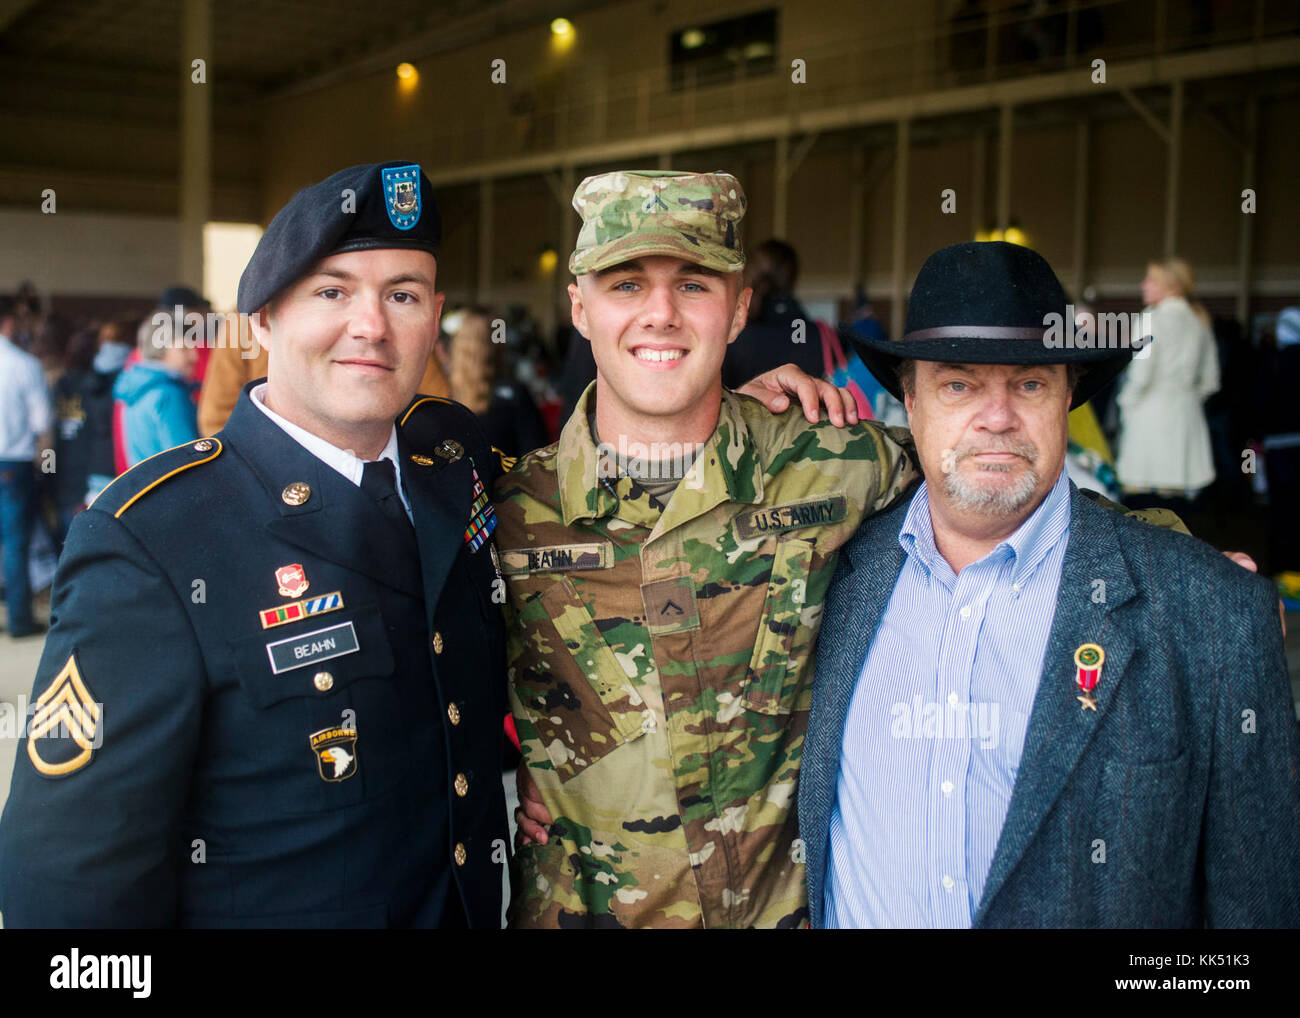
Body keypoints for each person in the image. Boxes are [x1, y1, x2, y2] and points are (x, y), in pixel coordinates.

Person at [0, 160, 509, 928]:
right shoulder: (155, 538)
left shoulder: (456, 464)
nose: (372, 325)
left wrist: (747, 411)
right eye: (332, 291)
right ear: (262, 321)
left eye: (402, 295)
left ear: (433, 317)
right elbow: (68, 892)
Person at [801, 241, 1300, 928]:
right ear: (908, 404)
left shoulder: (1217, 614)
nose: (998, 416)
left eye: (1030, 383)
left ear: (1067, 397)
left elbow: (1260, 911)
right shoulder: (821, 580)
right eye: (958, 384)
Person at [498, 169, 920, 929]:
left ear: (738, 311)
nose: (660, 314)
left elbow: (996, 498)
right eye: (626, 284)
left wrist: (1191, 564)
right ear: (579, 309)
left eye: (694, 284)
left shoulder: (830, 466)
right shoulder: (508, 513)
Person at [1114, 258, 1219, 515]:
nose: (1143, 285)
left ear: (1170, 286)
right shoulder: (1199, 322)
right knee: (1182, 515)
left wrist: (1125, 403)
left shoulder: (1151, 318)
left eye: (1150, 280)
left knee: (1145, 513)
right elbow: (1210, 381)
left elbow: (1141, 374)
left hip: (1149, 426)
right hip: (1188, 421)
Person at [0, 296, 53, 638]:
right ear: (9, 322)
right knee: (15, 542)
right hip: (12, 465)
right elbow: (42, 424)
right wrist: (47, 470)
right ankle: (18, 618)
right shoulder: (23, 365)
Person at [436, 306, 549, 458]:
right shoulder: (514, 396)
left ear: (459, 347)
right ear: (495, 348)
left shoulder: (441, 394)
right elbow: (537, 456)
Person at [720, 238, 824, 390]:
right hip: (808, 413)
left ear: (751, 271)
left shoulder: (733, 333)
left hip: (743, 413)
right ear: (792, 277)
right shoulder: (817, 334)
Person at [51, 324, 123, 539]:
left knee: (65, 538)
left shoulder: (61, 383)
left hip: (61, 465)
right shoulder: (96, 387)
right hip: (86, 469)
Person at [113, 312, 201, 466]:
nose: (194, 356)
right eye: (184, 348)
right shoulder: (169, 394)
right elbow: (187, 459)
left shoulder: (136, 387)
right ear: (160, 350)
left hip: (147, 486)